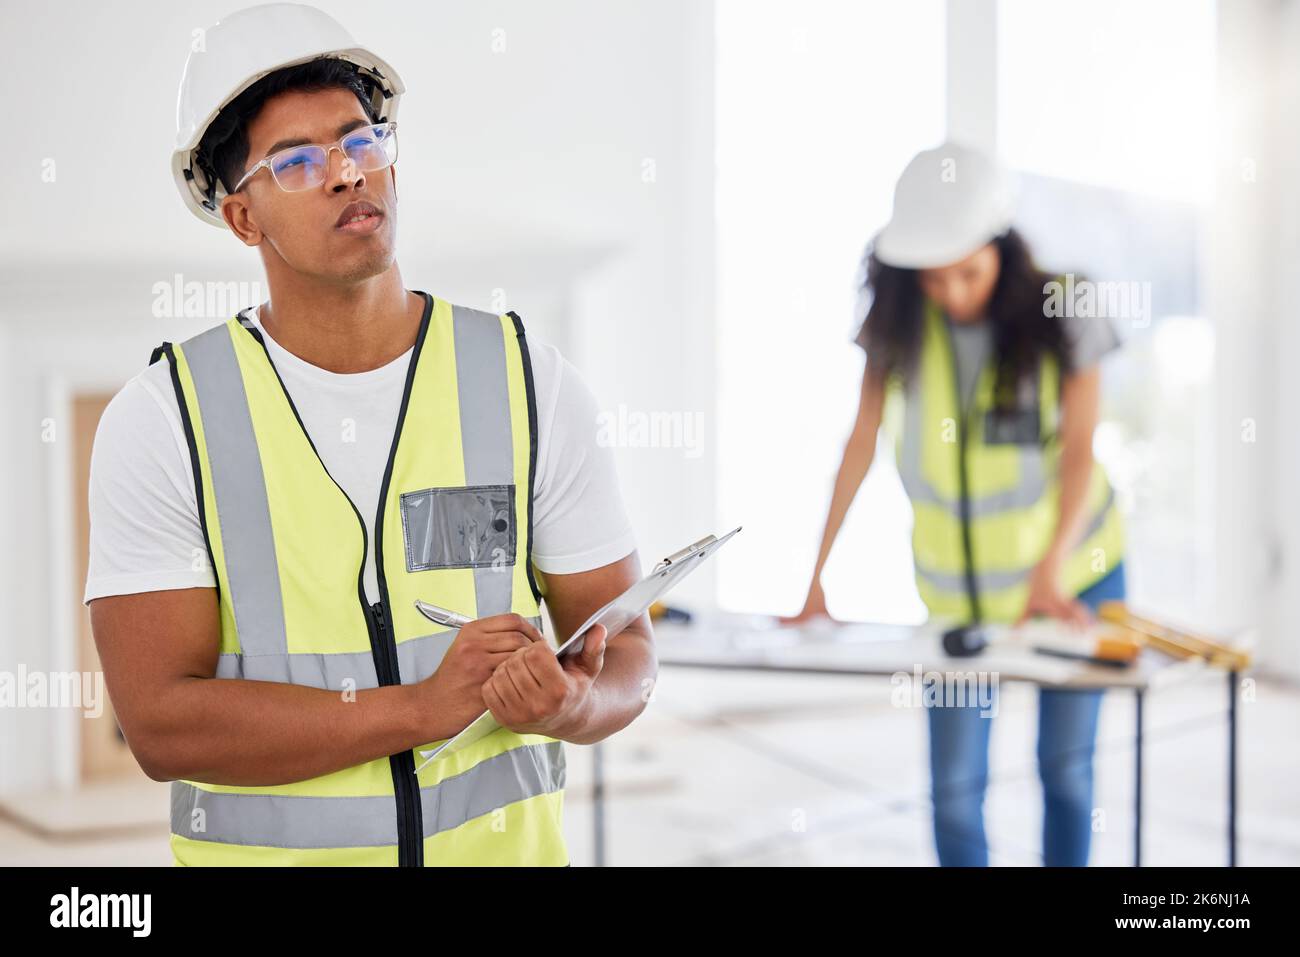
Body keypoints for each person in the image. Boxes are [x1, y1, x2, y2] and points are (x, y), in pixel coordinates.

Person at [84, 3, 654, 866]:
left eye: (361, 141)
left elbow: (630, 652)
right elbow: (160, 723)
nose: (348, 174)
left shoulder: (522, 377)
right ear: (243, 219)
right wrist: (419, 707)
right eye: (299, 161)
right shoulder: (167, 417)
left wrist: (568, 707)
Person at [785, 142, 1125, 866]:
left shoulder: (1067, 308)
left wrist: (1052, 569)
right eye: (933, 278)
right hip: (959, 603)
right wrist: (816, 574)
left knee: (1064, 771)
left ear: (1001, 247)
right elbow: (861, 442)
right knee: (954, 789)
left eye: (968, 272)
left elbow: (1077, 451)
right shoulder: (899, 323)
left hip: (1073, 579)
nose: (953, 293)